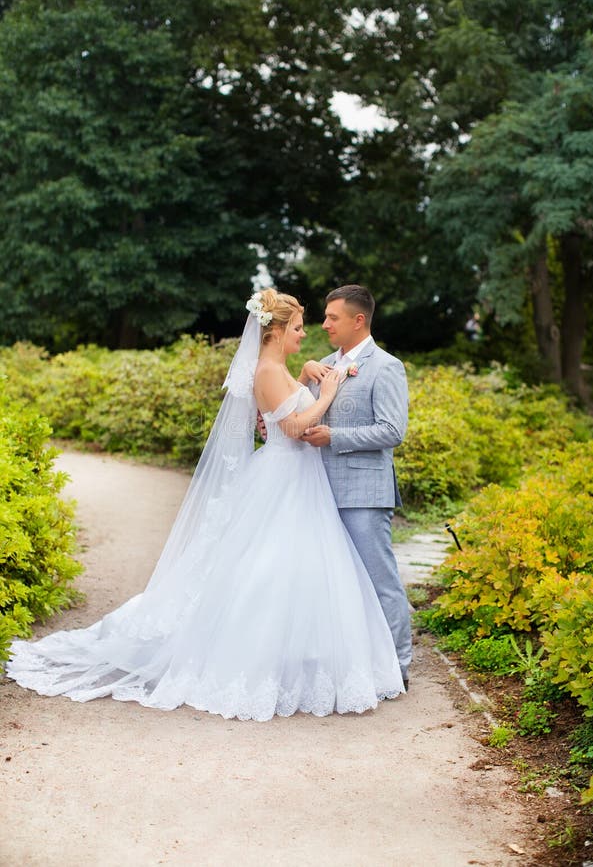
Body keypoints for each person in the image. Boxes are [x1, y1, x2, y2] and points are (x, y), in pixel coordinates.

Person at [6, 289, 404, 721]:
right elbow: (290, 425)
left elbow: (302, 405)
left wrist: (310, 378)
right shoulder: (268, 370)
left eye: (315, 323)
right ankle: (265, 662)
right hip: (286, 477)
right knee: (269, 574)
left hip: (305, 482)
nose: (307, 333)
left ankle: (312, 660)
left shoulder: (300, 368)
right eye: (298, 327)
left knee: (302, 573)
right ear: (275, 330)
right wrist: (323, 396)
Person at [303, 285, 411, 687]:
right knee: (332, 583)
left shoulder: (386, 367)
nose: (325, 323)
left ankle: (398, 668)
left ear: (358, 320)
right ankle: (348, 668)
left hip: (364, 494)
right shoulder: (323, 366)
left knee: (378, 581)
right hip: (315, 492)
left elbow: (392, 430)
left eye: (333, 317)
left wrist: (335, 437)